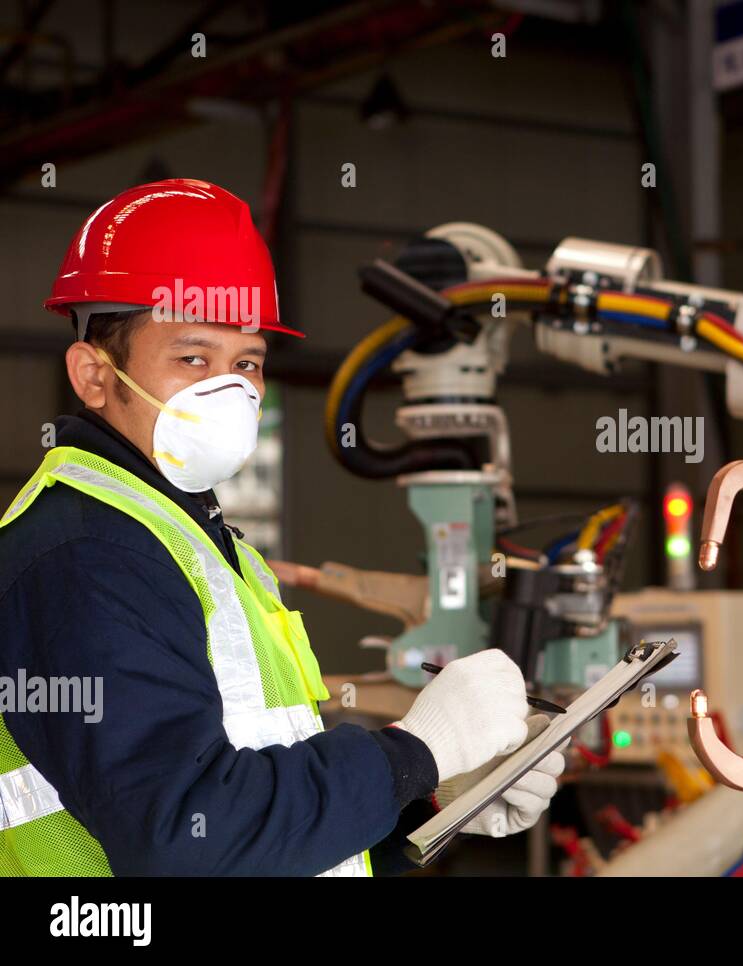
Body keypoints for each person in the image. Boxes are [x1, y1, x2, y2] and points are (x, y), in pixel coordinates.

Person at [0, 178, 564, 875]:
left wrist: (437, 800)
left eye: (247, 364)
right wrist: (416, 752)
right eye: (192, 358)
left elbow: (260, 827)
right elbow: (184, 834)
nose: (230, 389)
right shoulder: (86, 556)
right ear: (93, 375)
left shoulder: (187, 538)